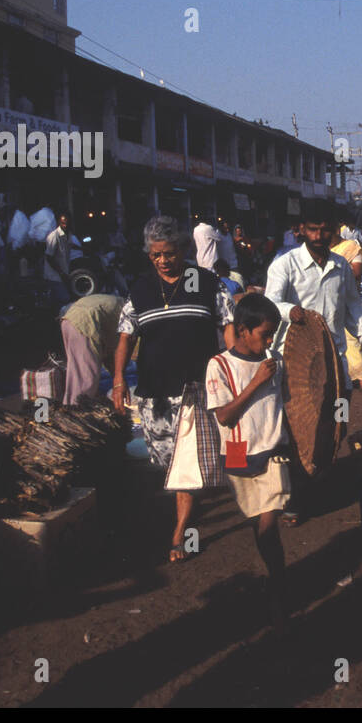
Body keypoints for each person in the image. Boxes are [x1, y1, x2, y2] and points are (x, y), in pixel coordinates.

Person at [113, 216, 237, 563]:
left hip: (197, 388)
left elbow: (227, 326)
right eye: (156, 255)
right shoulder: (140, 289)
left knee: (186, 466)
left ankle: (183, 532)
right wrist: (119, 380)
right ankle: (187, 512)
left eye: (169, 253)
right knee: (168, 464)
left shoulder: (207, 282)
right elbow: (125, 337)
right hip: (155, 394)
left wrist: (233, 368)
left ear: (183, 250)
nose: (164, 261)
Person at [265, 207, 362, 524]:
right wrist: (290, 311)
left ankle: (319, 474)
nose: (318, 237)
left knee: (337, 420)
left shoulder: (341, 268)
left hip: (335, 363)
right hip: (295, 366)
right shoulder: (286, 265)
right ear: (301, 230)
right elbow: (269, 303)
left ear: (333, 231)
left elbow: (353, 307)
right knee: (296, 429)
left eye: (324, 230)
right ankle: (294, 497)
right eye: (312, 230)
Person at [205, 293, 294, 629]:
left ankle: (278, 587)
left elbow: (286, 403)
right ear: (243, 330)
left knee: (269, 522)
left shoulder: (275, 363)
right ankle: (276, 577)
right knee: (259, 524)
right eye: (264, 334)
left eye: (272, 335)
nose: (269, 341)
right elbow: (225, 416)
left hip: (273, 452)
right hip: (240, 453)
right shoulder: (219, 366)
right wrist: (256, 383)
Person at [331, 226, 362, 395]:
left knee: (352, 341)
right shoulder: (321, 251)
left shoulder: (351, 247)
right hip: (328, 301)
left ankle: (361, 380)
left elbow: (357, 272)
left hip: (347, 300)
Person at [60, 293, 123, 405]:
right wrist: (118, 378)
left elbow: (109, 351)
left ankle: (70, 408)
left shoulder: (119, 303)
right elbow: (115, 350)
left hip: (68, 320)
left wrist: (116, 375)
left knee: (76, 372)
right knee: (86, 376)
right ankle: (79, 412)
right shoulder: (128, 312)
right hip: (85, 322)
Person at [44, 213, 72, 304]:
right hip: (54, 276)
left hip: (63, 275)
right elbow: (49, 257)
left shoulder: (68, 235)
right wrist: (60, 272)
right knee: (64, 300)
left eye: (67, 223)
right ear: (58, 223)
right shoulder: (54, 236)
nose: (65, 225)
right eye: (63, 223)